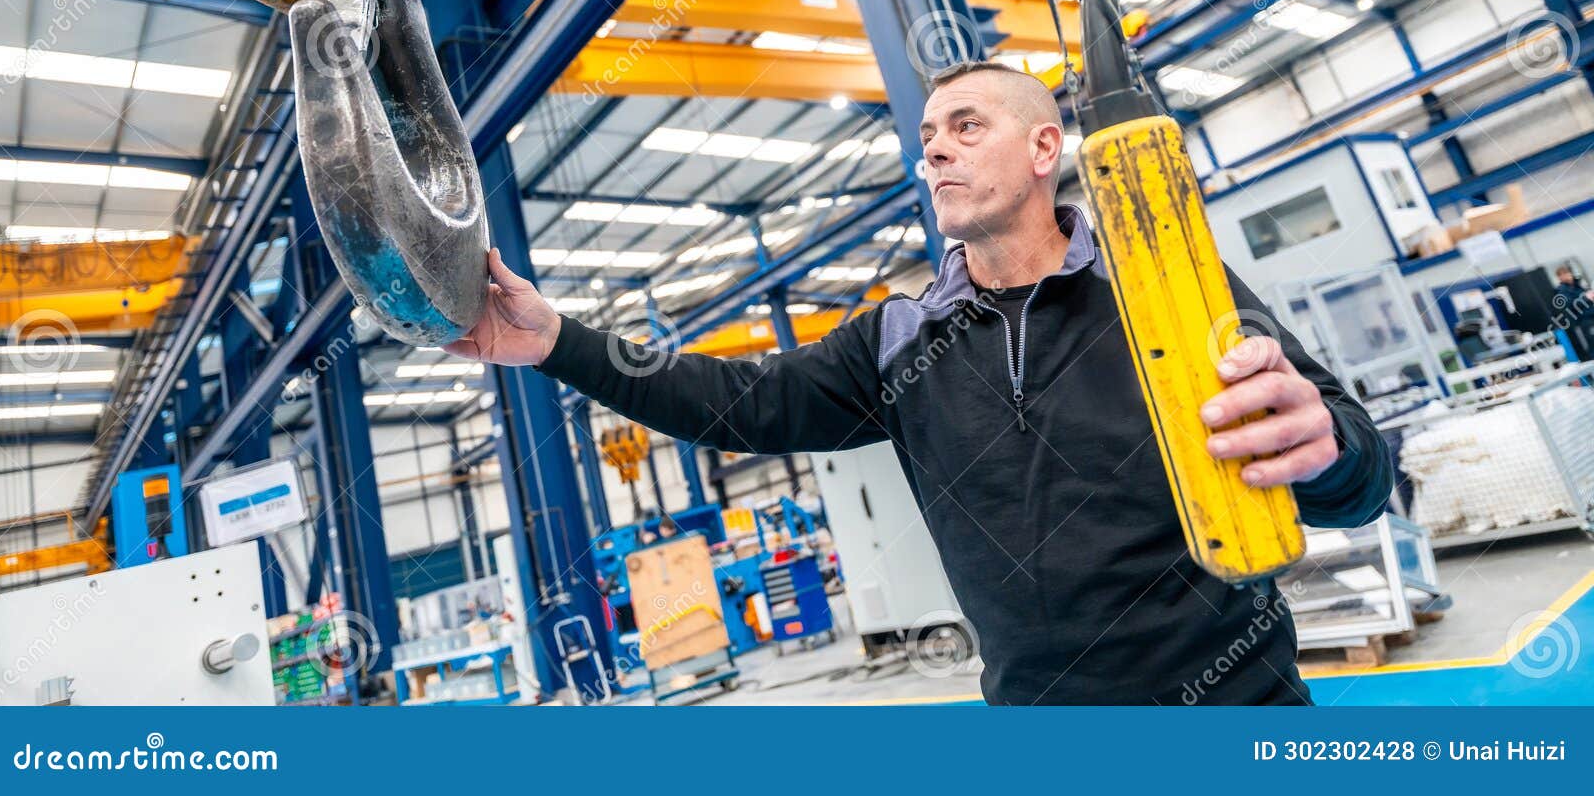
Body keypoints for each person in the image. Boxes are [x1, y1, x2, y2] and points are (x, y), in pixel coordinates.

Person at [447, 62, 1393, 705]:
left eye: (966, 127)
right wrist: (560, 344)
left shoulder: (1163, 288)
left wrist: (1330, 448)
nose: (932, 149)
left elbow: (1356, 476)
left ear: (1042, 151)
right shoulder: (898, 341)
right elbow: (730, 402)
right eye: (927, 134)